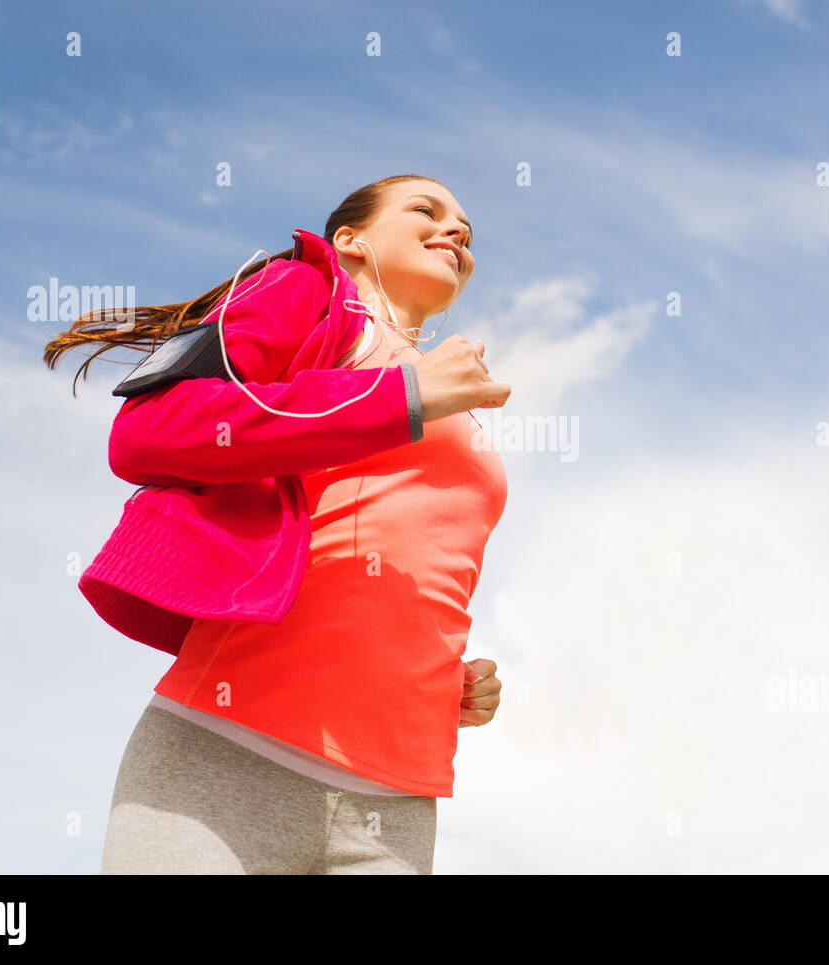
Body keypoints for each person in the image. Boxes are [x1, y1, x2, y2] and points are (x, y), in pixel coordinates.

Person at [43, 174, 510, 873]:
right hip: (228, 754)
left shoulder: (456, 401)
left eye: (466, 229)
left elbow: (397, 550)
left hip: (395, 799)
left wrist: (444, 677)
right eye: (426, 210)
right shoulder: (312, 295)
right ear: (349, 240)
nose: (457, 231)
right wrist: (401, 393)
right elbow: (150, 430)